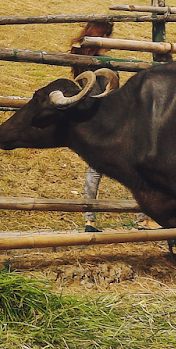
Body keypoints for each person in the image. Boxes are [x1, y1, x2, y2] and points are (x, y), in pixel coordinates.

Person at [68, 19, 114, 232]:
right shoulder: (103, 62)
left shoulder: (80, 59)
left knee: (94, 171)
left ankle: (89, 220)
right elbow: (110, 93)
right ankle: (144, 219)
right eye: (108, 35)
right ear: (101, 36)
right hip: (109, 118)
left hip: (90, 118)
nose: (111, 40)